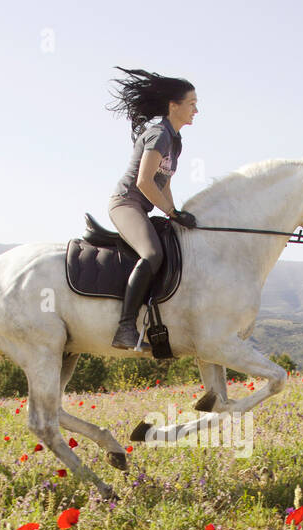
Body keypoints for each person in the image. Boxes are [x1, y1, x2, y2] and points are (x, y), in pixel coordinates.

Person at [105, 67, 199, 350]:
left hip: (143, 206)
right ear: (174, 106)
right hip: (126, 203)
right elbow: (145, 182)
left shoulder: (175, 141)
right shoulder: (159, 134)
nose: (197, 110)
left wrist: (176, 212)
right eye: (192, 104)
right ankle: (124, 328)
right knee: (153, 253)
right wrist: (171, 212)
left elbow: (163, 183)